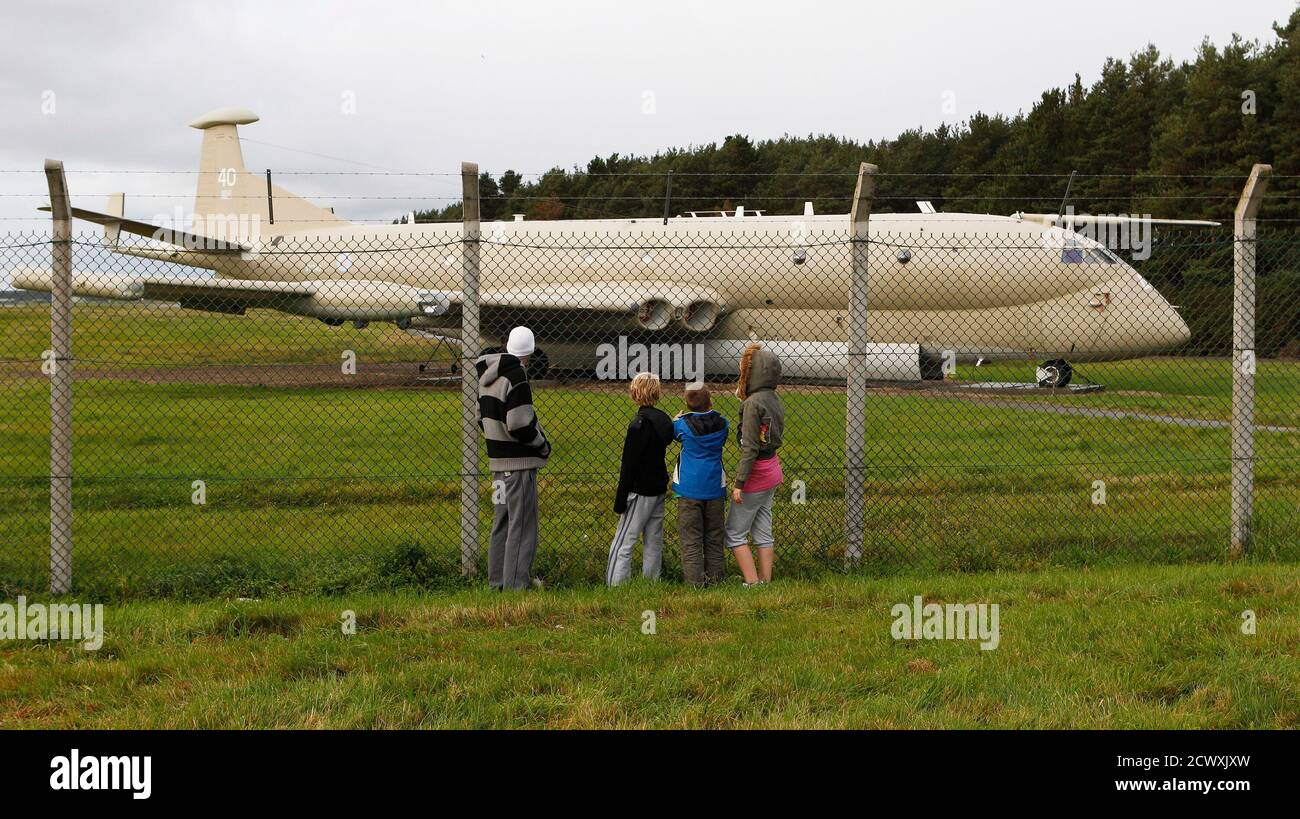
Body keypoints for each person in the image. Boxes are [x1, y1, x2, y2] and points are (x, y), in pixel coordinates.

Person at [476, 326, 550, 591]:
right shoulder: (517, 376)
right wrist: (542, 445)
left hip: (497, 465)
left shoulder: (487, 374)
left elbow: (480, 419)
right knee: (522, 525)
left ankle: (497, 582)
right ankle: (517, 586)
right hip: (518, 465)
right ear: (529, 351)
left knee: (502, 523)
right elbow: (519, 424)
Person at [725, 343, 785, 586]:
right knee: (762, 529)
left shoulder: (752, 404)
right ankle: (765, 580)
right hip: (772, 469)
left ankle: (751, 582)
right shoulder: (773, 399)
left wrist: (739, 483)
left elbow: (750, 448)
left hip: (756, 475)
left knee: (735, 533)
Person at [607, 372, 674, 586]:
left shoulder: (639, 425)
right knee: (653, 539)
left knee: (624, 541)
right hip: (658, 486)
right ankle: (651, 582)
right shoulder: (664, 421)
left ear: (635, 394)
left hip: (639, 490)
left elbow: (629, 465)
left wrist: (621, 497)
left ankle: (615, 585)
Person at [671, 383, 730, 587]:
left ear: (687, 404)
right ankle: (716, 581)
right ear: (710, 401)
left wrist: (676, 419)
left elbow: (674, 432)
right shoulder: (723, 424)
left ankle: (694, 583)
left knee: (691, 539)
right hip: (714, 488)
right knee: (714, 537)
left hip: (688, 490)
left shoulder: (682, 425)